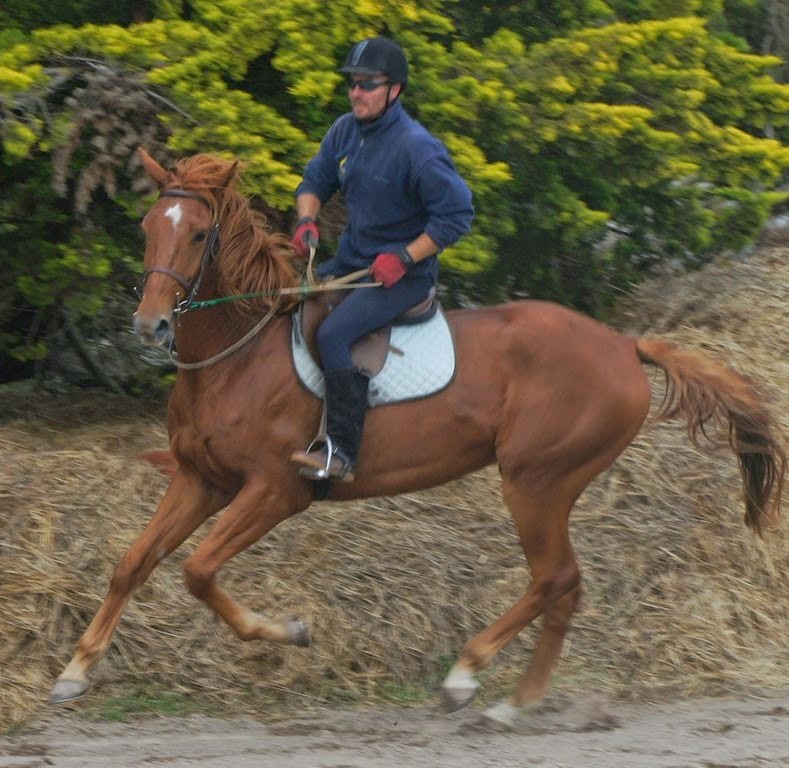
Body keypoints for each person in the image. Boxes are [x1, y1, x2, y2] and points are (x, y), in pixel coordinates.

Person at [289, 35, 474, 483]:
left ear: (394, 90)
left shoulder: (418, 148)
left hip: (400, 278)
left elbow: (457, 213)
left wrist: (406, 258)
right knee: (292, 305)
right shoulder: (344, 131)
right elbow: (314, 180)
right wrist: (306, 221)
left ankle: (340, 453)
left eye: (367, 84)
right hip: (353, 263)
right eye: (352, 83)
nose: (356, 92)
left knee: (333, 335)